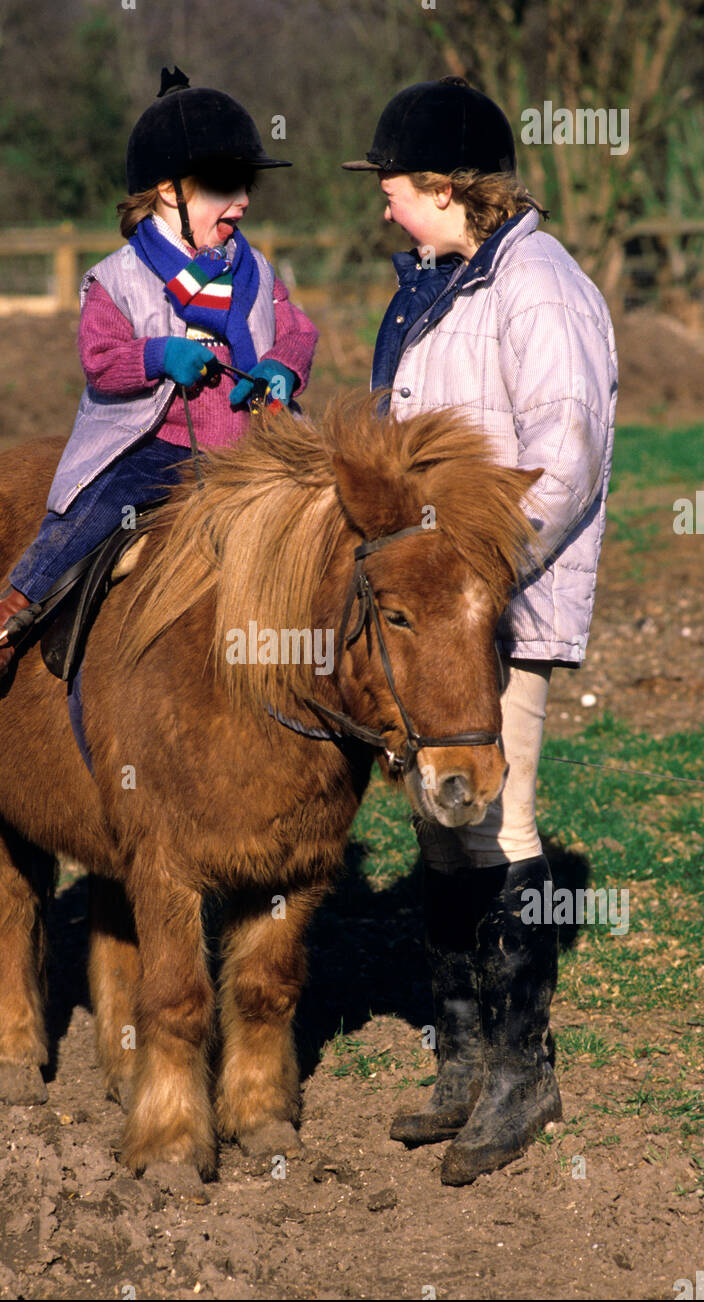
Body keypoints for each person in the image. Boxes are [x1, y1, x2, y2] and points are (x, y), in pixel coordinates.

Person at [343, 76, 618, 1185]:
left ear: (447, 188)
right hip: (436, 619)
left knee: (498, 820)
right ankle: (459, 1059)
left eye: (394, 187)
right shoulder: (434, 287)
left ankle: (521, 1072)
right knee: (440, 823)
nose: (382, 206)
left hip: (500, 604)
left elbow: (569, 452)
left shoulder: (536, 289)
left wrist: (474, 578)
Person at [0, 66, 318, 680]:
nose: (243, 201)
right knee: (101, 509)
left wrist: (282, 369)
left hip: (257, 444)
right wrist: (159, 356)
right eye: (223, 186)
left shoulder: (256, 267)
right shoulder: (117, 278)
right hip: (158, 446)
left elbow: (297, 330)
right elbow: (101, 363)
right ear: (167, 191)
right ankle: (14, 608)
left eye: (245, 186)